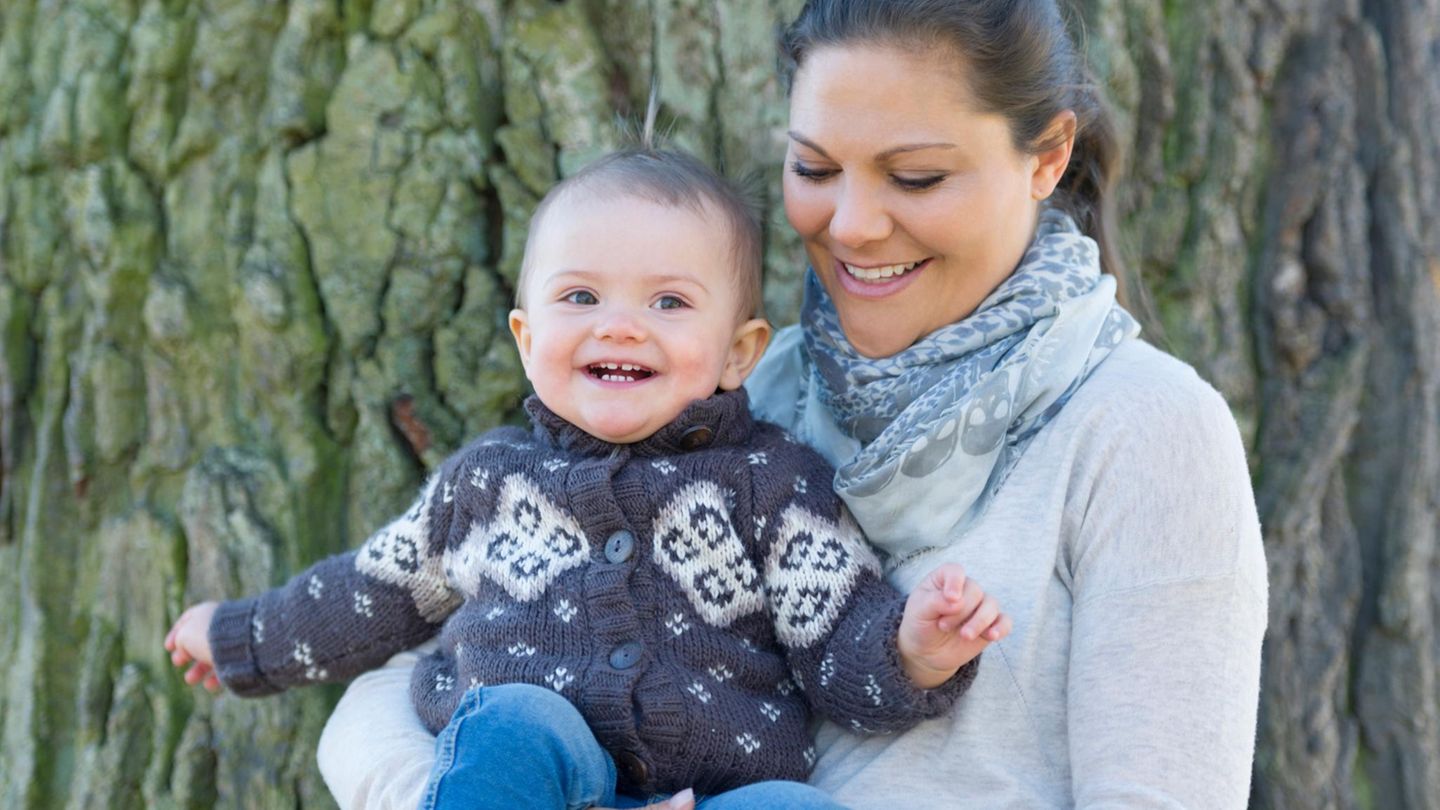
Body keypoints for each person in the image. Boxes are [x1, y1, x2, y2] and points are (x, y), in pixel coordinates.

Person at [313, 0, 1270, 807]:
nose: (851, 225)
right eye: (814, 169)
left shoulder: (1144, 432)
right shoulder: (740, 391)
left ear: (1047, 156)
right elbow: (396, 693)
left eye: (917, 177)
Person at [164, 147, 1014, 810]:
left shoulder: (773, 484)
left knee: (796, 806)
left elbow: (837, 641)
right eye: (580, 298)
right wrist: (240, 638)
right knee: (512, 721)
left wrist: (913, 650)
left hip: (717, 788)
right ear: (527, 338)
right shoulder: (489, 483)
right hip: (538, 773)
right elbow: (368, 592)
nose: (621, 326)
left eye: (668, 303)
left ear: (738, 352)